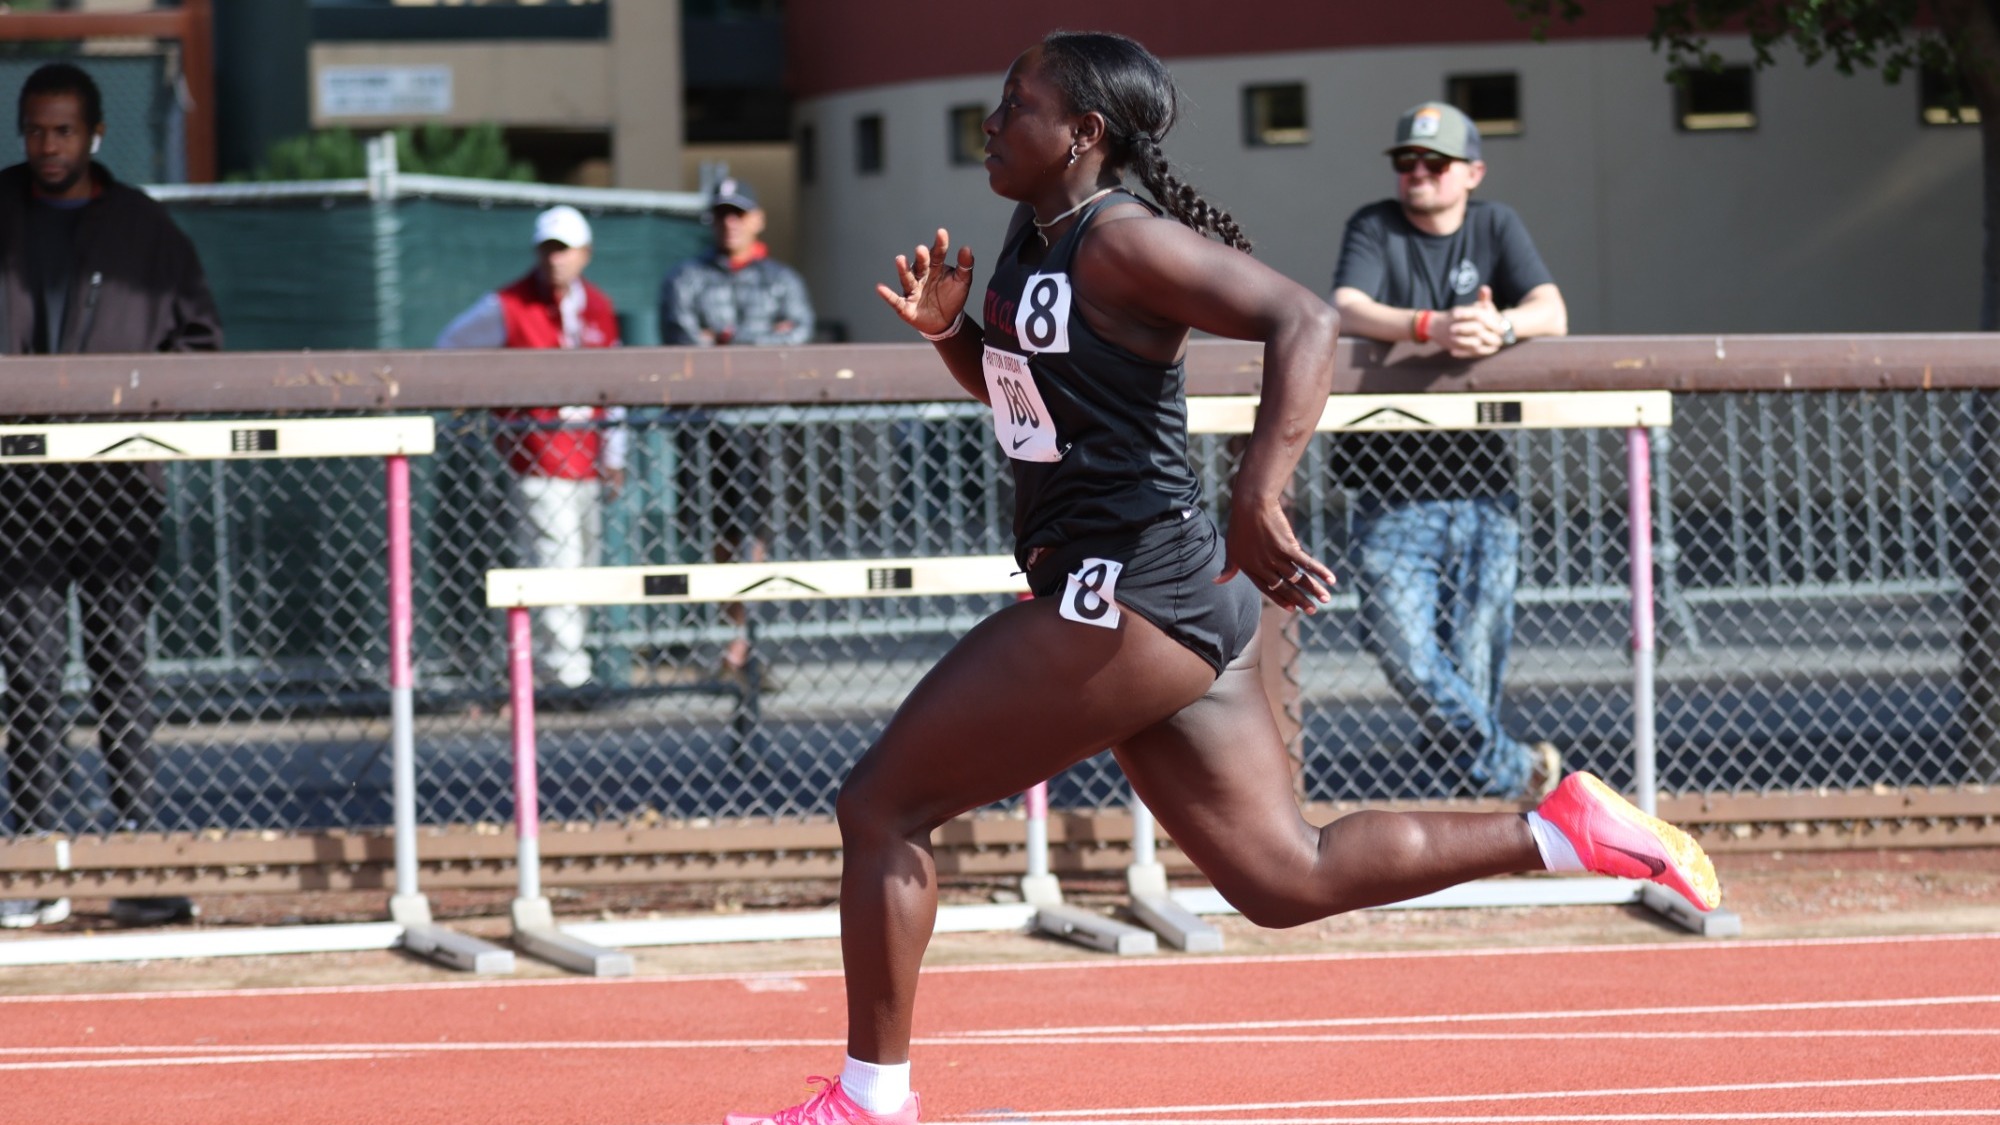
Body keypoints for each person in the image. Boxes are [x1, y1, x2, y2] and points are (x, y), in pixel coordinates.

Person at [726, 33, 1715, 1125]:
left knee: (881, 806)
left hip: (1129, 587)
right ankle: (1562, 830)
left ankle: (870, 1103)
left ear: (1083, 133)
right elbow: (1032, 405)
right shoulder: (1034, 229)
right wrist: (952, 336)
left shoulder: (1122, 239)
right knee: (1284, 878)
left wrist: (1260, 492)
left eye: (1017, 103)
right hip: (1169, 595)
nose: (993, 122)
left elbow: (1306, 318)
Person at [0, 63, 220, 929]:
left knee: (121, 669)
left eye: (62, 130)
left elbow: (198, 342)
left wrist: (135, 419)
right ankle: (34, 859)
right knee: (29, 675)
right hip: (17, 485)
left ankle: (138, 858)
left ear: (94, 134)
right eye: (33, 128)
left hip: (118, 487)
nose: (46, 145)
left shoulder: (145, 229)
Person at [1330, 101, 1570, 802]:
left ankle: (1471, 810)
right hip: (1389, 490)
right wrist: (1430, 326)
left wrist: (1500, 327)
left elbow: (1552, 313)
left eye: (1435, 162)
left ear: (1472, 172)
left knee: (1473, 662)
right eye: (1407, 161)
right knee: (1403, 650)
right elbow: (1346, 306)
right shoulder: (1375, 225)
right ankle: (1515, 771)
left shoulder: (1496, 225)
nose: (1418, 172)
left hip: (1482, 487)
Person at [436, 204, 626, 699]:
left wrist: (615, 453)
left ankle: (546, 665)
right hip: (537, 456)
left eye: (564, 250)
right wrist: (494, 403)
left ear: (585, 254)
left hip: (587, 456)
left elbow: (614, 387)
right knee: (554, 560)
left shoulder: (598, 305)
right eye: (547, 250)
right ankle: (566, 676)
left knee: (581, 566)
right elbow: (448, 348)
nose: (555, 259)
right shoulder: (507, 304)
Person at [657, 177, 814, 684]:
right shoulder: (687, 278)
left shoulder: (781, 280)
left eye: (739, 213)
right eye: (722, 214)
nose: (730, 223)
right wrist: (759, 342)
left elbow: (798, 335)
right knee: (717, 533)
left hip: (764, 425)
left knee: (759, 532)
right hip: (708, 428)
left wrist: (728, 338)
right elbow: (684, 339)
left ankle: (747, 643)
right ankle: (732, 641)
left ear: (757, 220)